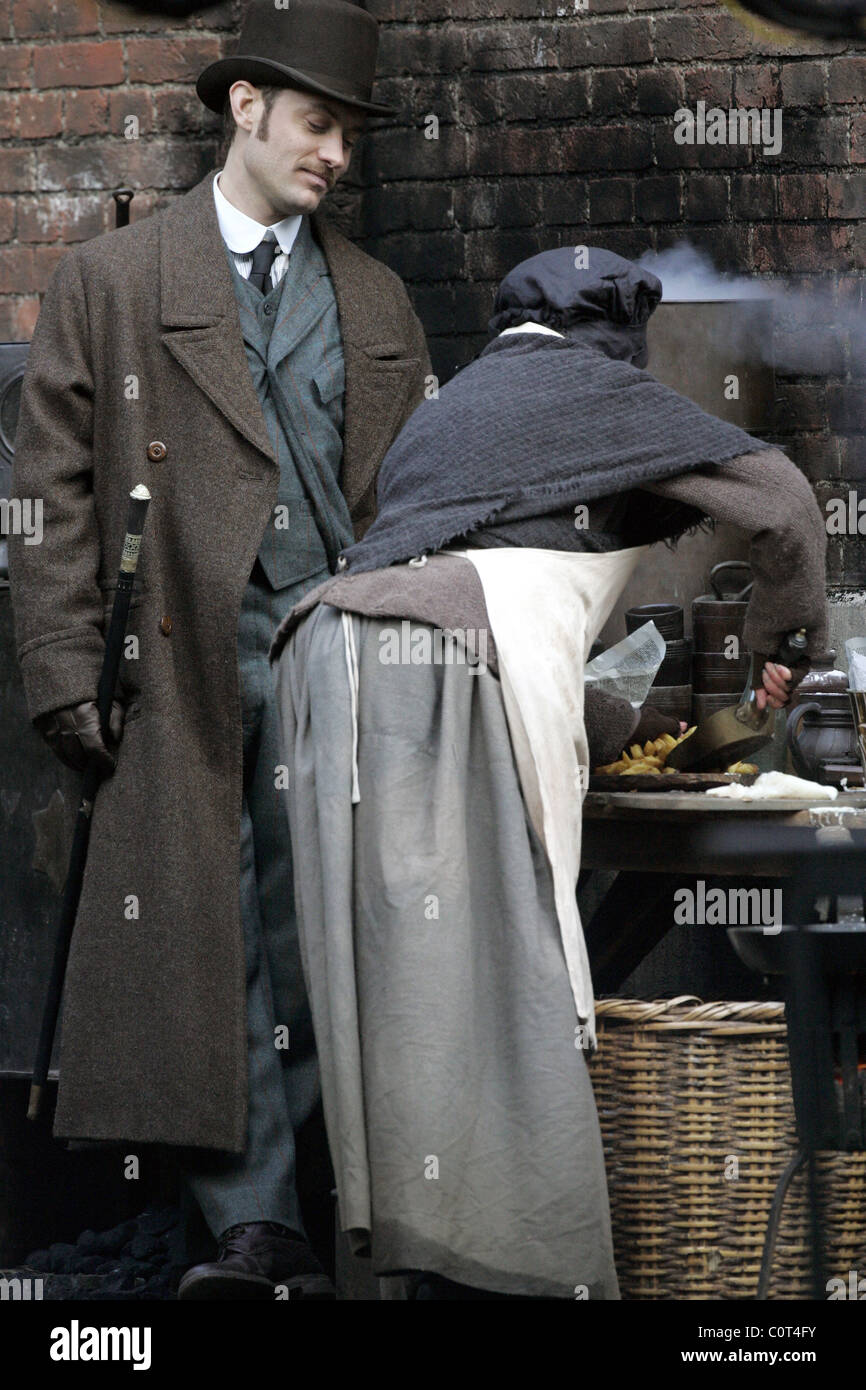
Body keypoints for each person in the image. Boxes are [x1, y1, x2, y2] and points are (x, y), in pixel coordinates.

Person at [270, 245, 829, 1299]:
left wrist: (638, 725)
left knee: (394, 1000)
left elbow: (492, 607)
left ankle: (399, 1271)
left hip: (328, 671)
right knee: (504, 983)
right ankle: (524, 1275)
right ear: (610, 344)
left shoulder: (456, 410)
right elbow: (786, 504)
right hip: (430, 675)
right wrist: (780, 644)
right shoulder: (587, 390)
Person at [8, 0, 431, 1300]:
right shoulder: (115, 284)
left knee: (309, 928)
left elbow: (416, 492)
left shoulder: (373, 298)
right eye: (316, 125)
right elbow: (55, 500)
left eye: (350, 136)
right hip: (178, 667)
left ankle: (276, 1208)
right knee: (202, 933)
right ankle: (254, 1224)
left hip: (332, 654)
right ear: (243, 107)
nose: (336, 158)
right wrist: (67, 674)